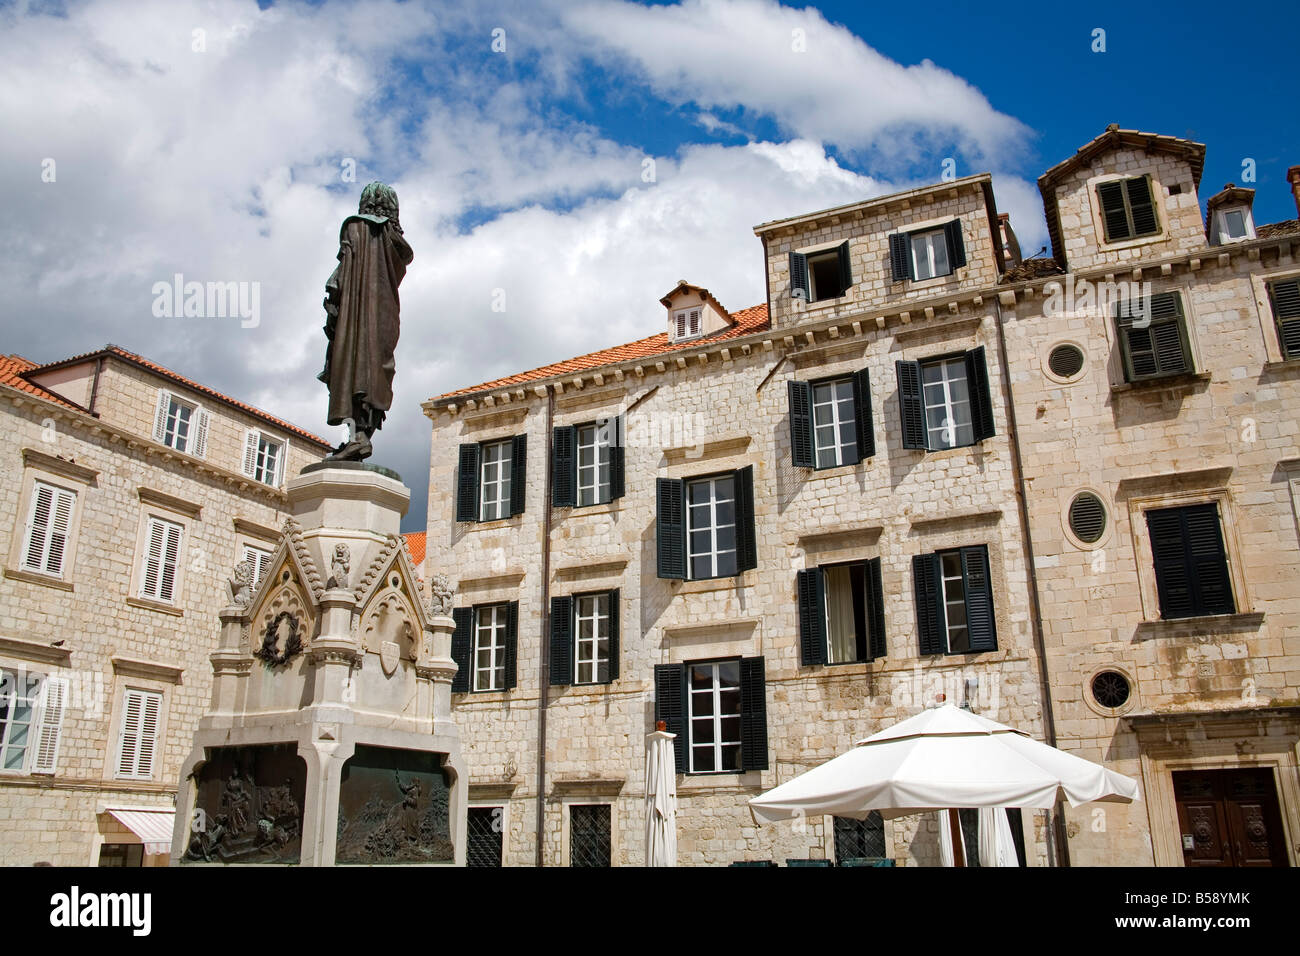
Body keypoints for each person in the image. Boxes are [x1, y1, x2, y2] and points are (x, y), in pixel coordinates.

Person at [319, 182, 414, 462]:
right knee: (377, 368)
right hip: (385, 315)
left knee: (352, 365)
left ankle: (358, 437)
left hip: (357, 310)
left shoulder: (355, 227)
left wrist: (335, 294)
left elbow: (343, 273)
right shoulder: (394, 242)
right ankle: (361, 435)